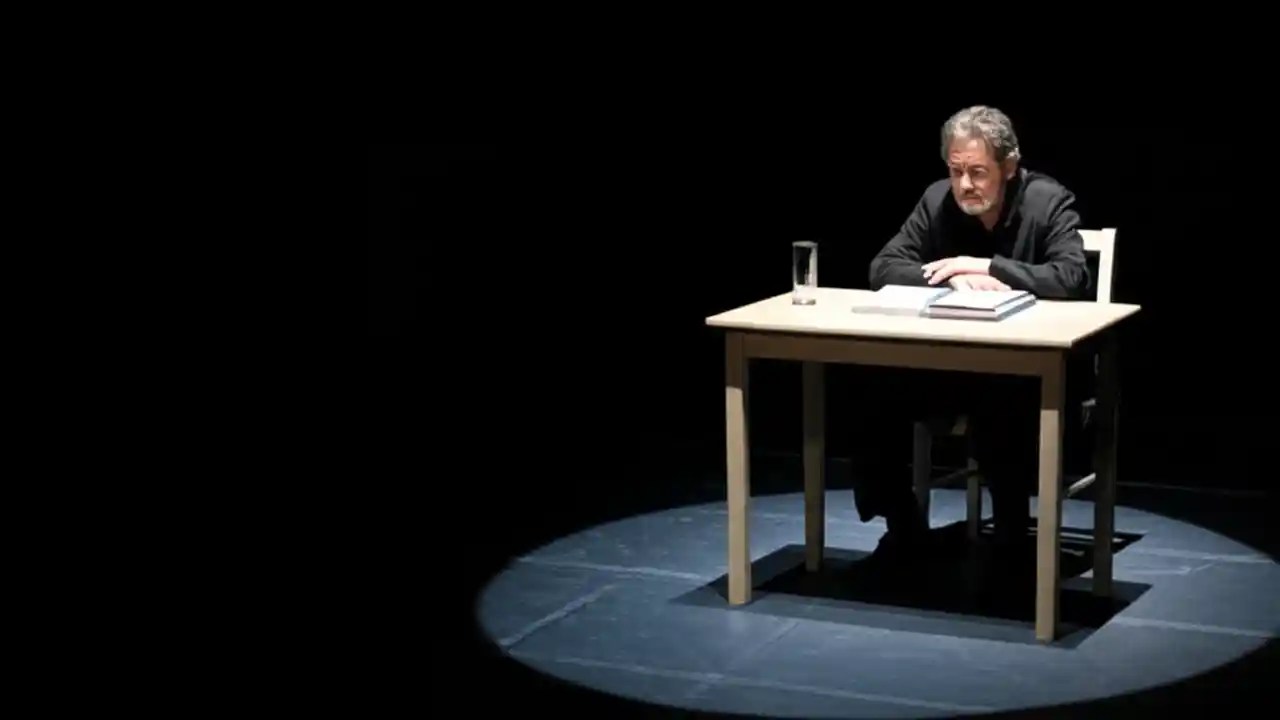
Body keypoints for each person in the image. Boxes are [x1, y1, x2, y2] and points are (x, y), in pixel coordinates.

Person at [849, 105, 1092, 562]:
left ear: (1009, 167)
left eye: (978, 172)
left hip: (1030, 372)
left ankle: (1011, 535)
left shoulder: (1047, 200)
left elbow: (1071, 276)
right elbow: (883, 266)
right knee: (871, 390)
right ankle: (902, 521)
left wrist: (986, 266)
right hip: (952, 365)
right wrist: (951, 277)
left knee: (1002, 402)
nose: (964, 185)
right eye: (956, 170)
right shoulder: (937, 200)